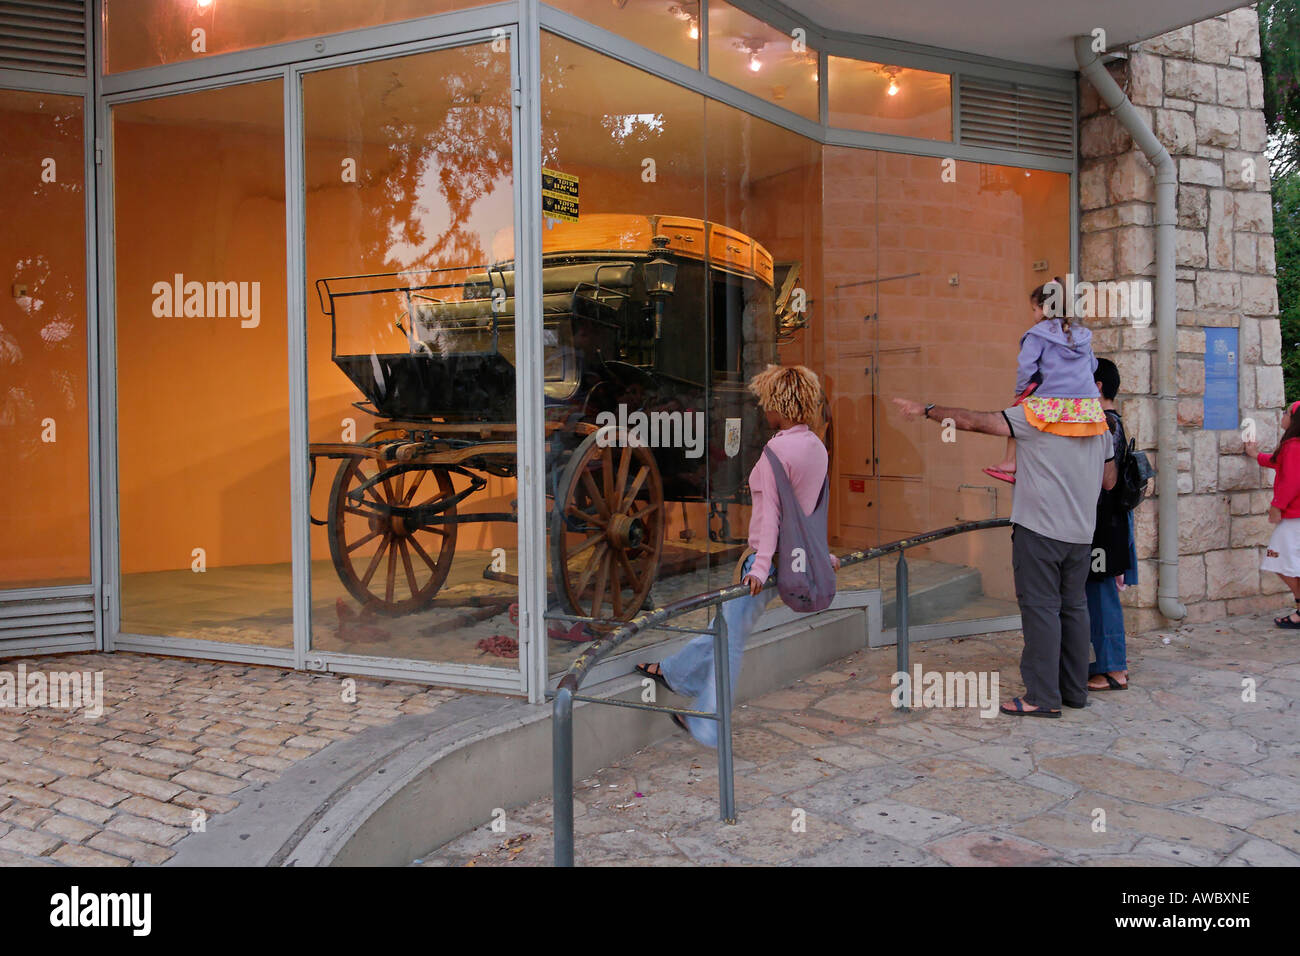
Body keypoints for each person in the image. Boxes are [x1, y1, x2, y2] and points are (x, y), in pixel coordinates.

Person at [637, 364, 835, 745]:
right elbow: (813, 510)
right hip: (797, 562)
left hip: (766, 561)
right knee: (726, 627)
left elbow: (772, 515)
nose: (764, 411)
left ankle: (709, 724)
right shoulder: (817, 448)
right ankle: (675, 673)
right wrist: (821, 556)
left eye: (767, 404)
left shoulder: (778, 450)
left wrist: (758, 567)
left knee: (730, 641)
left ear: (779, 404)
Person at [893, 392, 1116, 716]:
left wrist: (927, 410)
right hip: (1081, 535)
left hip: (1040, 530)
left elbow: (975, 421)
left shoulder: (1038, 412)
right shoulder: (1096, 420)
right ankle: (1074, 691)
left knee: (1040, 610)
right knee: (1074, 608)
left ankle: (1042, 696)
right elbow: (1109, 480)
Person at [986, 279, 1107, 483]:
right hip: (1087, 405)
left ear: (1043, 309)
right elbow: (1093, 366)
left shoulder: (1037, 335)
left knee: (1014, 417)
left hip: (1053, 400)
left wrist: (1020, 391)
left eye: (1034, 309)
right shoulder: (1081, 335)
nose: (1033, 315)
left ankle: (1010, 461)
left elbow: (1026, 367)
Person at [1086, 358, 1138, 691]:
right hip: (1108, 520)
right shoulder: (1115, 422)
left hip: (1104, 522)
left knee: (1101, 592)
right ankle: (1106, 662)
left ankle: (1114, 668)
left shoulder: (1105, 424)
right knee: (1096, 592)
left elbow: (1101, 480)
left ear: (1098, 386)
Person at [1244, 399, 1300, 628]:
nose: (1282, 415)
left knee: (1276, 559)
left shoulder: (1294, 445)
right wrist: (1255, 454)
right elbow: (1280, 464)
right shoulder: (1293, 446)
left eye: (1286, 412)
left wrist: (1277, 506)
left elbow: (1292, 480)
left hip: (1294, 515)